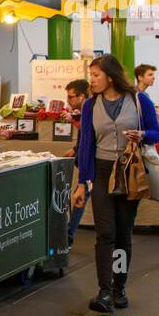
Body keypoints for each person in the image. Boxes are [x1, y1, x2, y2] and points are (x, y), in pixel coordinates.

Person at [72, 55, 159, 315]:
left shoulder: (138, 100)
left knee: (123, 233)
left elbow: (157, 133)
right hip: (101, 172)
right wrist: (81, 183)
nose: (92, 80)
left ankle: (119, 285)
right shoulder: (90, 105)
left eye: (96, 75)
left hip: (129, 171)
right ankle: (104, 290)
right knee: (105, 232)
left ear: (110, 76)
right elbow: (86, 144)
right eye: (91, 75)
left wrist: (143, 135)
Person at [64, 78, 90, 247]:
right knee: (79, 198)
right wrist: (75, 148)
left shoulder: (89, 110)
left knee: (79, 198)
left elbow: (89, 138)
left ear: (81, 96)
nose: (68, 101)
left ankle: (68, 237)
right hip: (86, 163)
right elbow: (85, 136)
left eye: (71, 97)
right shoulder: (85, 110)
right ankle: (68, 235)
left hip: (91, 166)